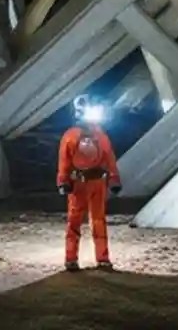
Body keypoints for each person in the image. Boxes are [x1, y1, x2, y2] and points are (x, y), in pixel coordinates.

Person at [57, 95, 122, 272]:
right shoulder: (72, 136)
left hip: (96, 182)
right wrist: (63, 181)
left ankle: (102, 258)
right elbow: (64, 160)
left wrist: (114, 179)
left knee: (98, 220)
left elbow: (109, 158)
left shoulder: (99, 135)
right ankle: (71, 258)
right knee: (74, 221)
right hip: (79, 183)